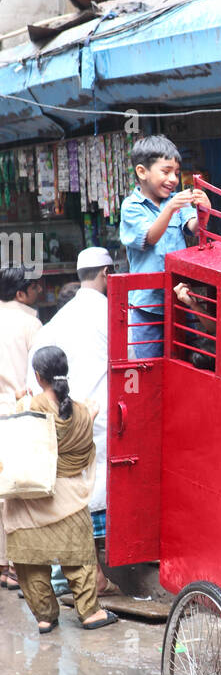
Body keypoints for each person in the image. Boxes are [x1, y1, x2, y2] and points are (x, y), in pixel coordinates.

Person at [2, 345, 118, 634]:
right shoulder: (82, 412)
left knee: (30, 563)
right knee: (80, 559)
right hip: (69, 500)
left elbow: (18, 446)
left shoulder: (27, 408)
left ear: (38, 376)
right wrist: (90, 418)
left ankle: (44, 616)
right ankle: (90, 612)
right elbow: (82, 450)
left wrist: (20, 401)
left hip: (30, 501)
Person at [27, 248, 118, 597]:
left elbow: (32, 375)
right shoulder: (110, 314)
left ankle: (63, 577)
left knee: (69, 499)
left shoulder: (58, 320)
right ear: (107, 274)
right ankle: (79, 583)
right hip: (97, 420)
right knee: (86, 502)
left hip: (63, 421)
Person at [119, 135, 210, 360]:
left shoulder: (176, 202)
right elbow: (149, 237)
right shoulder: (131, 206)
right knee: (151, 368)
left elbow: (195, 227)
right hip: (147, 307)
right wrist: (170, 209)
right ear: (142, 172)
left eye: (176, 173)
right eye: (166, 171)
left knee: (190, 363)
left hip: (179, 299)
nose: (173, 179)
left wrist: (205, 210)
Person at [0, 263, 44, 590]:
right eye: (35, 287)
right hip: (16, 415)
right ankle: (13, 566)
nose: (39, 291)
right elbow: (38, 377)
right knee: (14, 491)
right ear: (20, 293)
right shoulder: (31, 324)